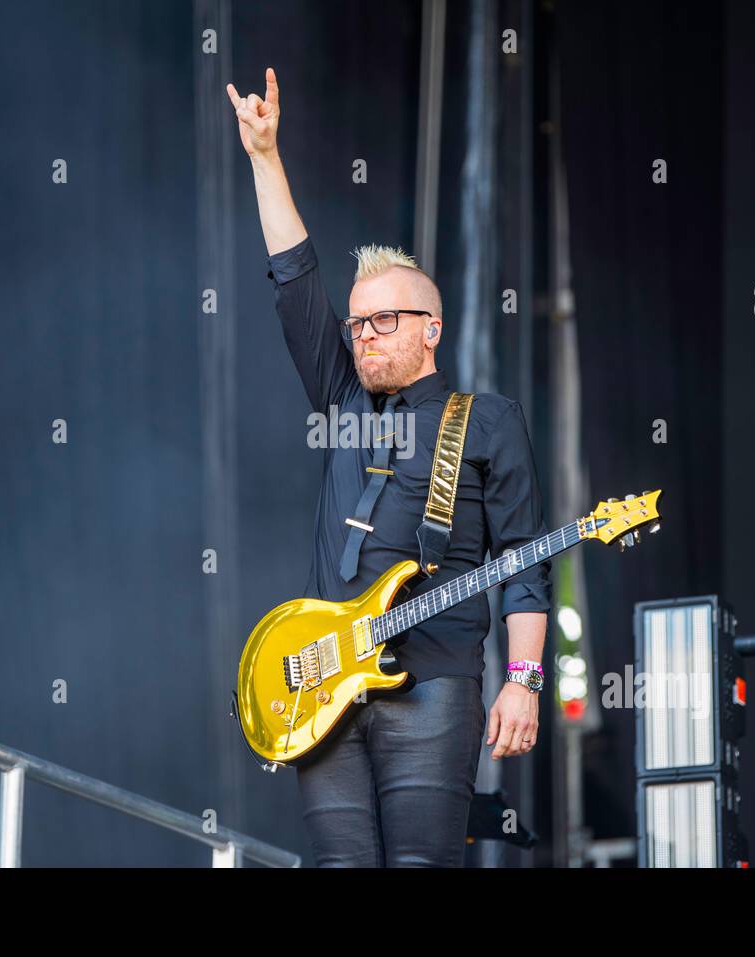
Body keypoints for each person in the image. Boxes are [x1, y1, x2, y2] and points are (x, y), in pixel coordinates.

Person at [227, 67, 552, 867]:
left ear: (431, 327)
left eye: (383, 320)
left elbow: (524, 566)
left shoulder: (487, 421)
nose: (363, 334)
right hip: (322, 683)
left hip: (433, 686)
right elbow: (294, 280)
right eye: (357, 322)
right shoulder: (343, 399)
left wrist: (524, 678)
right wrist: (267, 157)